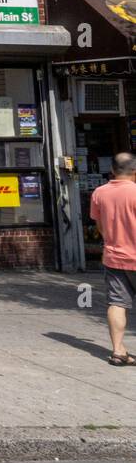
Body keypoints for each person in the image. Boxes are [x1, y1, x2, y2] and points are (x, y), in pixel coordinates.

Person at [89, 153, 136, 365]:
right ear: (134, 171)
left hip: (114, 257)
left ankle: (118, 351)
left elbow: (100, 226)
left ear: (112, 170)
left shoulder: (99, 193)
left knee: (117, 303)